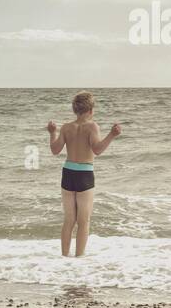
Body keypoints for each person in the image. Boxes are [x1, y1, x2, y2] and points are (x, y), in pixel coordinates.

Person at [47, 91, 121, 257]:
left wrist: (52, 132)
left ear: (75, 110)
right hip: (84, 175)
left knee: (68, 220)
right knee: (83, 221)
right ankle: (79, 260)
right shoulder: (92, 126)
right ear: (91, 110)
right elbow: (97, 149)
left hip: (68, 173)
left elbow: (55, 150)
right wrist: (112, 135)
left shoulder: (66, 127)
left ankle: (64, 257)